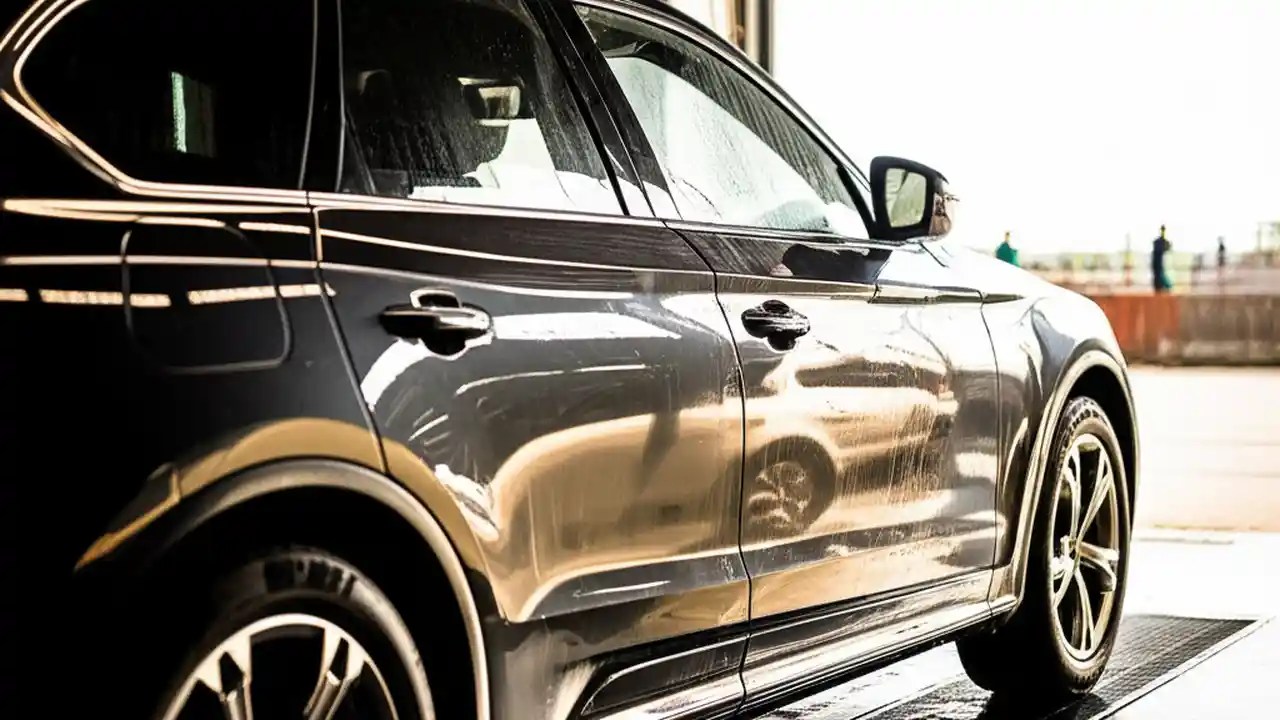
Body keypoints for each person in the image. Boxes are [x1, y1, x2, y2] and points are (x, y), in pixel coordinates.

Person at [1151, 225, 1173, 293]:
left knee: (1159, 276)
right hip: (1157, 263)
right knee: (1158, 276)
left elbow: (1167, 246)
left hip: (1158, 264)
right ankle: (1159, 288)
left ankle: (1160, 288)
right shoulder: (1158, 243)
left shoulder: (1160, 243)